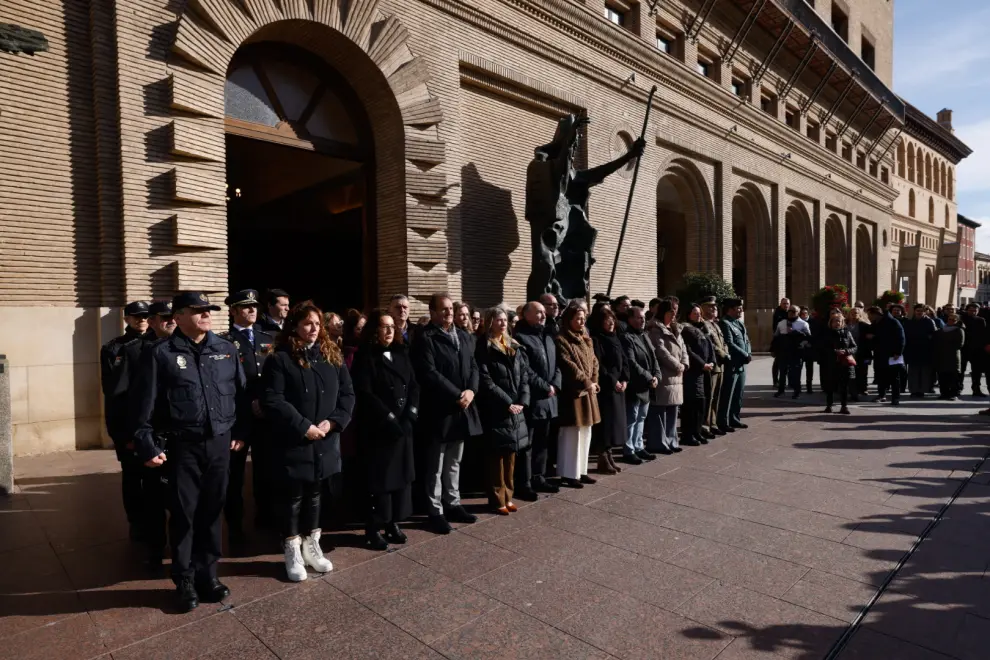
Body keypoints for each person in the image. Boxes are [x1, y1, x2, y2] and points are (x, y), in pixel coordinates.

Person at [132, 292, 247, 611]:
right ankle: (184, 577)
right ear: (178, 317)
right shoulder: (161, 354)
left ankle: (208, 574)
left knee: (212, 511)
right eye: (197, 311)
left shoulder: (224, 349)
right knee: (184, 514)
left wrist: (240, 431)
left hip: (219, 444)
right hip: (182, 447)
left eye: (208, 310)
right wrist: (147, 444)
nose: (206, 314)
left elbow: (239, 394)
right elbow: (143, 406)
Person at [261, 301, 355, 581]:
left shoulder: (331, 355)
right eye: (307, 324)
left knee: (315, 495)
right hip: (295, 440)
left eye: (316, 324)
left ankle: (312, 546)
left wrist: (334, 422)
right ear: (295, 327)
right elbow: (272, 399)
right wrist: (304, 426)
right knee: (293, 497)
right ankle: (291, 549)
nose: (313, 329)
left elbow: (348, 395)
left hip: (325, 440)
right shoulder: (280, 358)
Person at [412, 293, 483, 534]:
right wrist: (456, 394)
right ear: (432, 312)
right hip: (438, 410)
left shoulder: (464, 335)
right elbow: (428, 373)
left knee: (454, 461)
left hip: (462, 408)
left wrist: (471, 391)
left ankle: (453, 504)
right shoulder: (425, 337)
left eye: (450, 308)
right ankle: (435, 511)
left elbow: (473, 365)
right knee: (435, 464)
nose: (448, 313)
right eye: (443, 309)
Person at [352, 310, 419, 550]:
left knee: (400, 480)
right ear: (374, 330)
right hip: (380, 430)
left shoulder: (402, 352)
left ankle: (392, 523)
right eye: (384, 326)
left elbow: (413, 385)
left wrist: (411, 413)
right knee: (380, 482)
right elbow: (365, 393)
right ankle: (373, 528)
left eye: (393, 326)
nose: (390, 331)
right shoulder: (365, 356)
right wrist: (389, 418)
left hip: (403, 428)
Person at [220, 289, 276, 538]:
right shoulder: (223, 342)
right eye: (246, 307)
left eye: (254, 306)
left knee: (266, 469)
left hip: (265, 415)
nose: (253, 310)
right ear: (233, 311)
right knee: (235, 475)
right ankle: (235, 525)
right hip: (239, 417)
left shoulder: (268, 337)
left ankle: (265, 516)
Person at [100, 300, 152, 542]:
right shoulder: (114, 348)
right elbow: (113, 394)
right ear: (127, 319)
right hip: (128, 424)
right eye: (136, 316)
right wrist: (121, 434)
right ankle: (137, 522)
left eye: (145, 316)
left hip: (154, 425)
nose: (141, 320)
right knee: (133, 477)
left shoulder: (159, 342)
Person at [475, 307, 530, 514]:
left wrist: (522, 400)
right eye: (498, 320)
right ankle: (497, 498)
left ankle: (509, 496)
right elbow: (486, 380)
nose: (502, 323)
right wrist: (507, 402)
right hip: (497, 408)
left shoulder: (512, 344)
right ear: (489, 322)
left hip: (516, 408)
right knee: (497, 456)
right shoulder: (484, 346)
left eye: (504, 320)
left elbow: (524, 374)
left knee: (511, 454)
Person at [513, 301, 561, 496]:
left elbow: (557, 364)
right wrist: (545, 386)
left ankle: (539, 477)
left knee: (543, 441)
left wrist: (555, 385)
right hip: (534, 399)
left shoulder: (548, 335)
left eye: (544, 312)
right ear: (527, 315)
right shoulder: (521, 337)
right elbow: (525, 370)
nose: (543, 315)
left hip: (550, 399)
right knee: (528, 444)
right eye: (539, 312)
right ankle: (524, 483)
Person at [555, 302, 601, 488]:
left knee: (586, 433)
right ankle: (568, 473)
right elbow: (568, 365)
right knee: (572, 434)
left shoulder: (586, 338)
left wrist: (594, 380)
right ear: (569, 320)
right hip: (574, 394)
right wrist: (586, 382)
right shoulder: (562, 340)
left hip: (588, 393)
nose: (581, 322)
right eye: (578, 318)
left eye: (583, 318)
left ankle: (581, 471)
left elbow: (594, 361)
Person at [589, 306, 628, 475]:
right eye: (607, 319)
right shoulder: (597, 339)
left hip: (619, 387)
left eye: (612, 318)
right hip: (606, 388)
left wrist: (625, 379)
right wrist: (613, 381)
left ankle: (609, 455)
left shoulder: (615, 337)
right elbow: (599, 365)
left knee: (614, 425)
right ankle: (602, 458)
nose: (611, 322)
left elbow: (624, 360)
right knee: (605, 425)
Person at [621, 304, 661, 464]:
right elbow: (631, 362)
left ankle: (638, 446)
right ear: (630, 319)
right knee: (632, 418)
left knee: (641, 417)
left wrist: (657, 375)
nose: (642, 320)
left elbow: (654, 357)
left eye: (643, 317)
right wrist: (648, 377)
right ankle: (628, 450)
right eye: (638, 317)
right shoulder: (626, 337)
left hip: (647, 385)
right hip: (636, 385)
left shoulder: (644, 335)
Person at [647, 298, 687, 452]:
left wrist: (684, 363)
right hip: (665, 375)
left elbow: (683, 348)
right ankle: (659, 443)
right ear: (663, 312)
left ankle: (672, 441)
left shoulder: (676, 328)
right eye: (671, 310)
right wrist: (678, 365)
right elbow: (661, 351)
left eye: (675, 310)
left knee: (673, 411)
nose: (674, 313)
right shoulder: (655, 329)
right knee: (660, 411)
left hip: (677, 375)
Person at [680, 304, 716, 445]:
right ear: (688, 315)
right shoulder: (686, 329)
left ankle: (697, 431)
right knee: (691, 404)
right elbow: (688, 351)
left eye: (699, 313)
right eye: (694, 313)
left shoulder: (703, 328)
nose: (698, 315)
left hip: (705, 371)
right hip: (693, 372)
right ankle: (688, 434)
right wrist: (702, 364)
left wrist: (712, 362)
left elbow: (710, 346)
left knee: (702, 403)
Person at [718, 298, 751, 431]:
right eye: (738, 308)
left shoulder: (739, 323)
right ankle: (724, 421)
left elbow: (746, 340)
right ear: (730, 309)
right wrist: (745, 354)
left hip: (741, 364)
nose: (741, 310)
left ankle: (734, 418)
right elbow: (730, 344)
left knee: (739, 393)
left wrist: (749, 352)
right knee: (728, 394)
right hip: (732, 363)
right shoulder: (725, 323)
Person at [700, 298, 728, 437]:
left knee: (716, 396)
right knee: (709, 396)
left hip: (720, 365)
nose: (714, 309)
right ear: (703, 309)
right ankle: (705, 425)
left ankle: (713, 423)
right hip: (713, 364)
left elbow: (723, 342)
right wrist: (723, 354)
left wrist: (726, 353)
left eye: (715, 307)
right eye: (710, 307)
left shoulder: (715, 324)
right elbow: (712, 345)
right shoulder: (704, 325)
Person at [819, 311, 857, 414]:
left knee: (844, 386)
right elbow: (822, 348)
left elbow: (854, 347)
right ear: (831, 323)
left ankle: (844, 406)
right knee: (830, 386)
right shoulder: (826, 333)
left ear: (842, 322)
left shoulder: (847, 333)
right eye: (834, 321)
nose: (837, 323)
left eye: (839, 321)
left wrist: (846, 351)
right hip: (831, 363)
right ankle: (829, 406)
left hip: (844, 363)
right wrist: (834, 352)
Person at [869, 305, 905, 405]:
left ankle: (895, 398)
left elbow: (901, 338)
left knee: (894, 377)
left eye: (870, 315)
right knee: (880, 376)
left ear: (875, 314)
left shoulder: (893, 322)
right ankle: (881, 395)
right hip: (879, 354)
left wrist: (898, 352)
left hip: (892, 354)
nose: (869, 317)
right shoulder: (875, 323)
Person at [771, 306, 809, 399]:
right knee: (782, 371)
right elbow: (776, 336)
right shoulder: (781, 323)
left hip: (796, 351)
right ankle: (781, 390)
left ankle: (796, 391)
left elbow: (808, 338)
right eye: (789, 311)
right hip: (783, 351)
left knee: (795, 372)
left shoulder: (803, 324)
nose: (791, 313)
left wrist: (801, 342)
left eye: (794, 311)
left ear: (798, 313)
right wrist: (773, 349)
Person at [905, 303, 937, 397]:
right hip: (913, 350)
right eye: (917, 311)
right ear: (914, 311)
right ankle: (913, 390)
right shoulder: (909, 322)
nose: (919, 312)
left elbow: (934, 335)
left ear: (925, 312)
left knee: (924, 372)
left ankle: (922, 390)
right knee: (913, 372)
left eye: (921, 311)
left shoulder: (929, 322)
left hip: (925, 350)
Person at [934, 313, 965, 400]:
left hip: (953, 356)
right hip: (941, 356)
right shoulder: (941, 330)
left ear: (957, 321)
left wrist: (945, 345)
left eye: (953, 320)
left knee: (953, 376)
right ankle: (944, 393)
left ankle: (953, 394)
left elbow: (959, 344)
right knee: (942, 376)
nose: (951, 321)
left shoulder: (959, 330)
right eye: (949, 319)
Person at [961, 303, 987, 395]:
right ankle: (958, 388)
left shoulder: (981, 320)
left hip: (977, 349)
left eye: (975, 311)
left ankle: (976, 389)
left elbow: (984, 334)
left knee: (977, 371)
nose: (973, 312)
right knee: (961, 370)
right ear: (967, 310)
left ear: (978, 311)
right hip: (964, 349)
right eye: (971, 310)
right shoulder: (961, 319)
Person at [846, 307, 871, 400]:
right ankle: (852, 390)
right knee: (851, 372)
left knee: (862, 371)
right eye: (852, 313)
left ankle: (863, 388)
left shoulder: (864, 325)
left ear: (860, 315)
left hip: (862, 352)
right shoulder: (845, 325)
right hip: (849, 352)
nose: (854, 315)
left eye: (856, 313)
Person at [771, 297, 791, 387]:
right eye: (784, 303)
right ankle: (775, 381)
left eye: (787, 303)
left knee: (787, 362)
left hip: (789, 341)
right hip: (779, 340)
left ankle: (785, 380)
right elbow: (775, 329)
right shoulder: (778, 313)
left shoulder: (790, 313)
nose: (786, 305)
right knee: (777, 361)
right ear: (780, 304)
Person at [798, 307, 816, 393]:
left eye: (805, 313)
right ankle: (798, 386)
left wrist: (810, 343)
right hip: (800, 349)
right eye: (802, 313)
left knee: (809, 369)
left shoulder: (813, 322)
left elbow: (815, 334)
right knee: (798, 368)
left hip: (810, 349)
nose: (804, 315)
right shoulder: (797, 322)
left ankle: (809, 387)